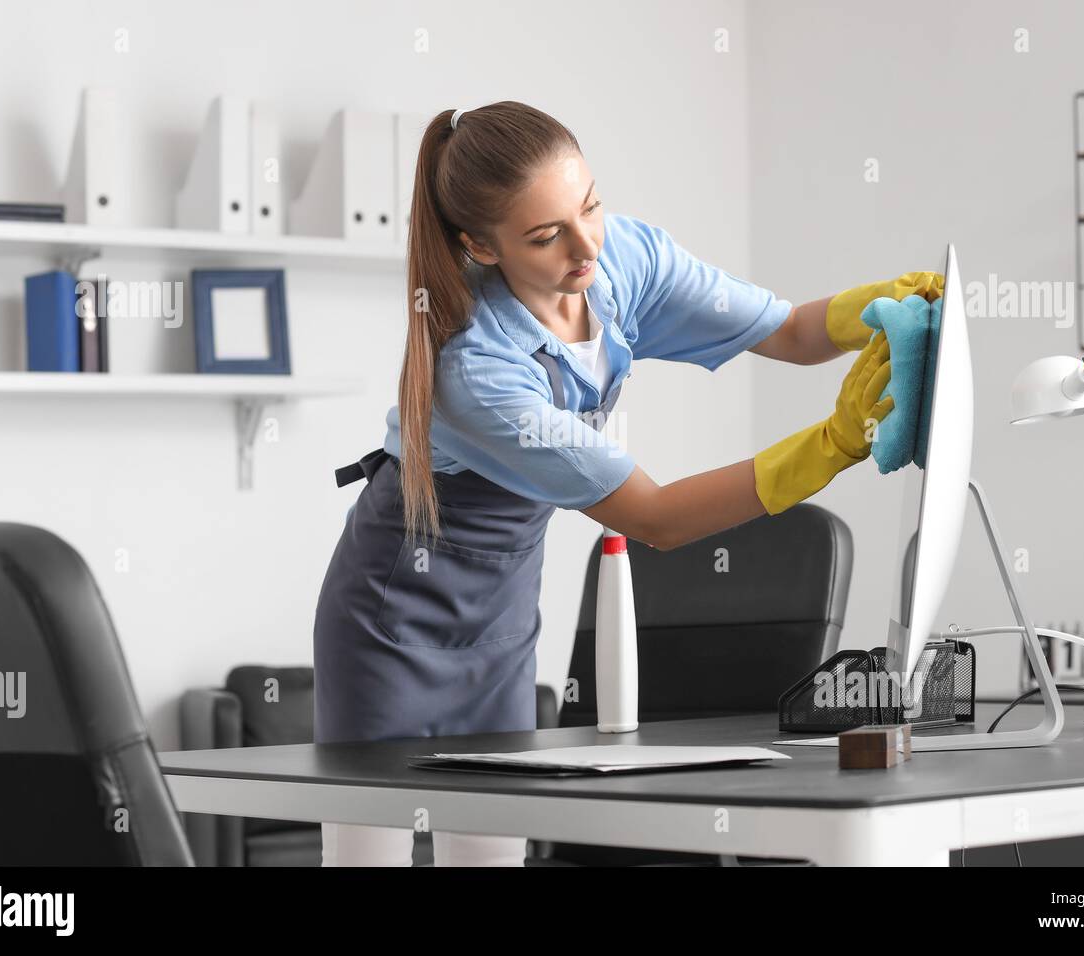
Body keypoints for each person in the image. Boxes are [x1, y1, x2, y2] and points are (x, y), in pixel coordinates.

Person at [313, 101, 942, 866]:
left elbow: (788, 331)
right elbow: (657, 520)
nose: (585, 247)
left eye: (590, 206)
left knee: (489, 850)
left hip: (503, 612)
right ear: (480, 245)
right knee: (368, 852)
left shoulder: (624, 260)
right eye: (546, 237)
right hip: (391, 621)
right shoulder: (479, 372)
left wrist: (881, 306)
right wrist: (835, 443)